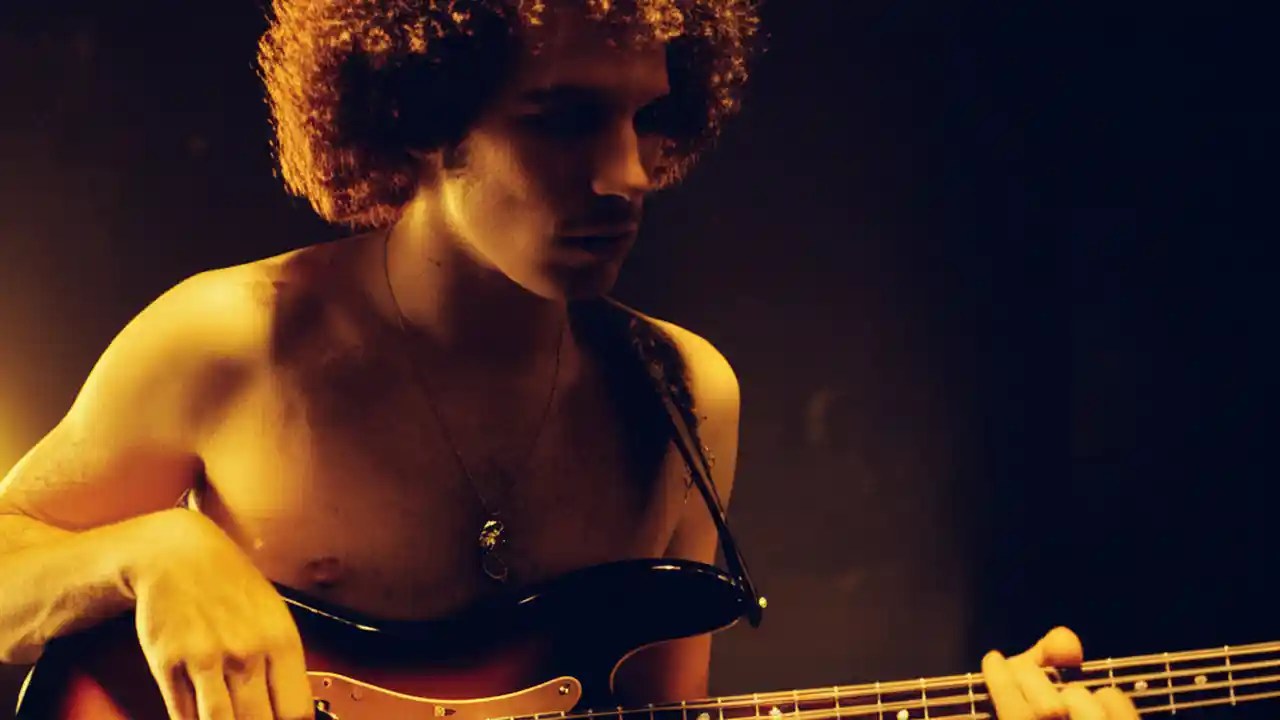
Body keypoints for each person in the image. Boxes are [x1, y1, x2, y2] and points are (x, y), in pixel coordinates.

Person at [0, 2, 1139, 719]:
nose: (628, 175)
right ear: (416, 116)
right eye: (560, 119)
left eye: (644, 120)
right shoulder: (230, 343)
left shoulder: (684, 398)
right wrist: (147, 553)